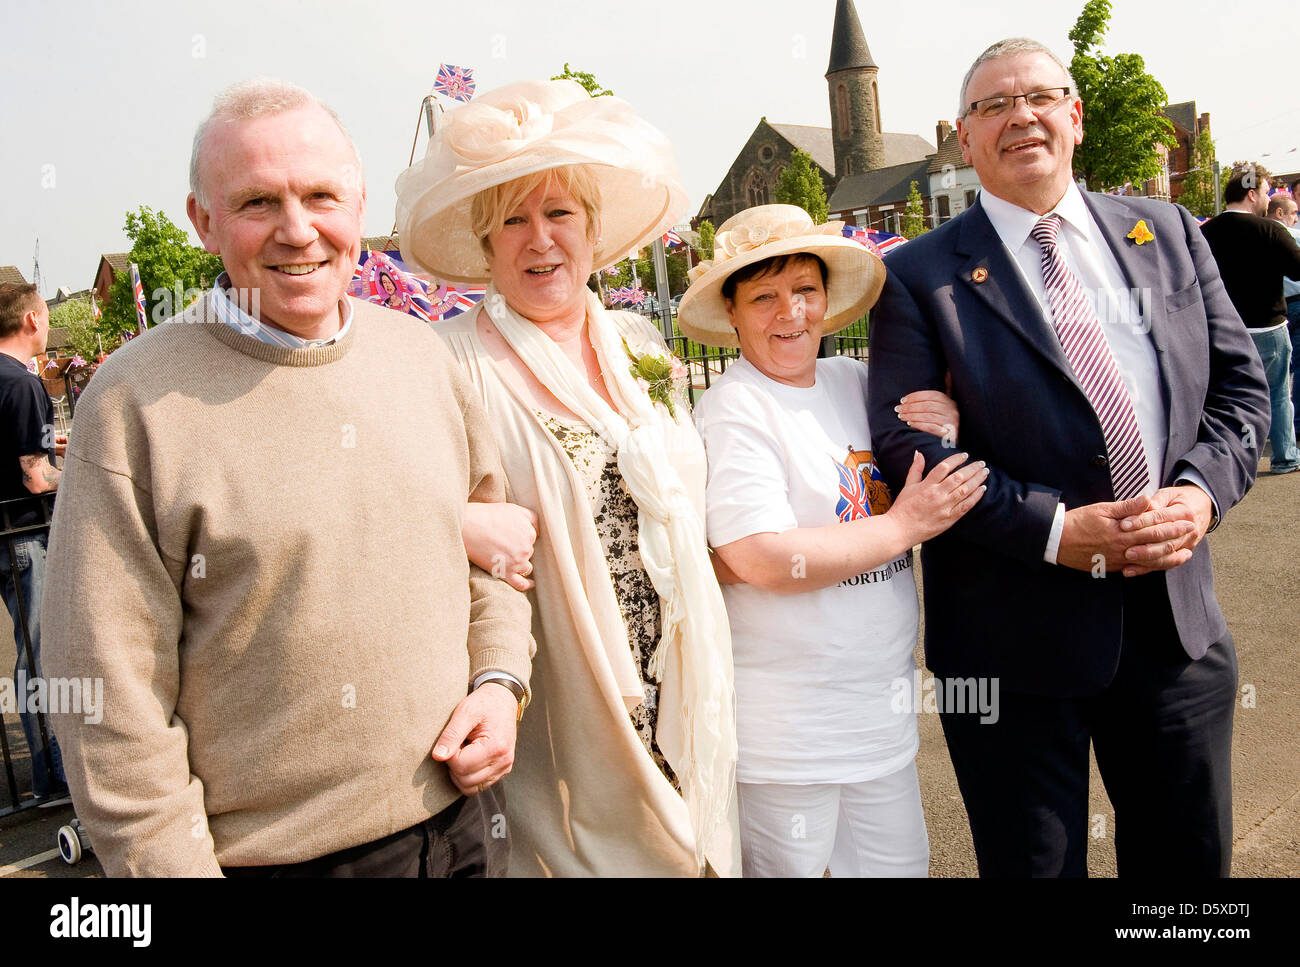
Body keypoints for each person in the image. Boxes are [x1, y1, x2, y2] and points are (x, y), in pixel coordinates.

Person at [41, 79, 533, 877]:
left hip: (467, 830)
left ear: (361, 201)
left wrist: (500, 681)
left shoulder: (420, 358)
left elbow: (495, 555)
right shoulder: (133, 404)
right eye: (258, 203)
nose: (298, 230)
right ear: (202, 221)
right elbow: (108, 704)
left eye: (320, 195)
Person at [865, 38, 1270, 877]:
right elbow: (910, 449)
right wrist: (1055, 530)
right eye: (993, 107)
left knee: (1188, 878)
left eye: (1041, 97)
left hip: (1174, 628)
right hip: (1011, 650)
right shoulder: (916, 276)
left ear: (1075, 117)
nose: (1022, 116)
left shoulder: (1166, 233)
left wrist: (1198, 495)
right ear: (965, 138)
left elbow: (1240, 392)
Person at [395, 78, 739, 876]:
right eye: (512, 219)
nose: (539, 238)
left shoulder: (639, 344)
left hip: (680, 661)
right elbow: (378, 497)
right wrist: (456, 522)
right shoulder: (452, 360)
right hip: (558, 683)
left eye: (559, 214)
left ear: (592, 232)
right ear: (485, 243)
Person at [681, 204, 985, 877]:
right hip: (791, 737)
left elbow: (922, 441)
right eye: (763, 296)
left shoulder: (854, 381)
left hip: (878, 719)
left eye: (805, 291)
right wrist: (904, 526)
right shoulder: (736, 408)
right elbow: (760, 556)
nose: (790, 312)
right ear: (731, 311)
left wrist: (948, 413)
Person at [0, 282, 68, 806]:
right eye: (45, 317)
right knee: (40, 654)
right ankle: (52, 773)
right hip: (24, 533)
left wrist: (47, 444)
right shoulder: (22, 385)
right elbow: (35, 478)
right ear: (31, 319)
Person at [1202, 165, 1300, 474]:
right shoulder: (1271, 231)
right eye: (1267, 192)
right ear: (1251, 194)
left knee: (1229, 398)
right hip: (1268, 327)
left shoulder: (1205, 233)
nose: (1269, 200)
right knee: (1278, 395)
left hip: (1224, 330)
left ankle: (1232, 461)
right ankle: (1285, 457)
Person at [1266, 191, 1300, 443]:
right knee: (1293, 371)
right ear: (1280, 213)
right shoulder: (1291, 235)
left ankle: (1267, 426)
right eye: (1294, 213)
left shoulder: (1255, 233)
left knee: (1270, 373)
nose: (1295, 219)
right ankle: (1293, 427)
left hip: (1269, 310)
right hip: (1295, 305)